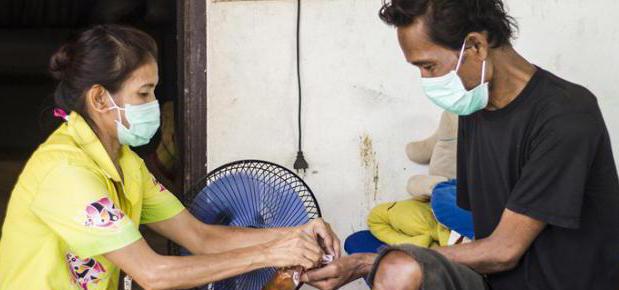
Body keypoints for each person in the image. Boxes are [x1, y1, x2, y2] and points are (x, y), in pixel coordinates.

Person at [302, 0, 619, 289]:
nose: (426, 80)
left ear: (477, 46)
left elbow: (504, 251)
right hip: (497, 282)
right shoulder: (473, 107)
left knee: (397, 267)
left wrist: (371, 261)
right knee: (398, 268)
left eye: (429, 66)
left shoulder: (566, 114)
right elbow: (479, 231)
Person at [0, 24, 340, 290]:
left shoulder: (127, 165)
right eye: (143, 93)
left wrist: (296, 234)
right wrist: (268, 253)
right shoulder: (65, 171)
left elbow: (200, 237)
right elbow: (152, 273)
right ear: (101, 99)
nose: (154, 104)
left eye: (154, 91)